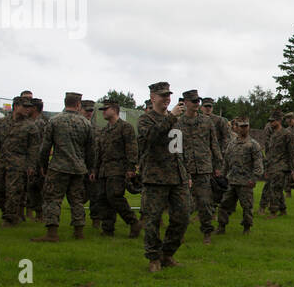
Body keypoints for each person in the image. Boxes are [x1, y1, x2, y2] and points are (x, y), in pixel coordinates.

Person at [138, 82, 190, 272]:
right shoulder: (146, 120)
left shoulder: (176, 119)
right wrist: (171, 118)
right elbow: (150, 138)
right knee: (152, 220)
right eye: (162, 96)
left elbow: (180, 149)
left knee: (183, 217)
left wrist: (186, 173)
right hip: (155, 178)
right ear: (153, 98)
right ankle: (153, 257)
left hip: (178, 177)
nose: (167, 99)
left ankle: (167, 253)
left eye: (168, 95)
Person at [33, 92, 95, 242]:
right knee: (77, 201)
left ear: (65, 102)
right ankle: (79, 232)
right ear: (78, 104)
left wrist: (43, 165)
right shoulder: (86, 123)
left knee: (52, 199)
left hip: (58, 167)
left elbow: (45, 147)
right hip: (79, 168)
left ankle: (52, 233)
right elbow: (91, 150)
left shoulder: (54, 121)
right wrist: (90, 168)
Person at [176, 90, 222, 243]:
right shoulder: (177, 123)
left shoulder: (206, 122)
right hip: (184, 169)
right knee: (183, 205)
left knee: (205, 202)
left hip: (203, 168)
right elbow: (174, 148)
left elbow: (214, 144)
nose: (197, 104)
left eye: (198, 101)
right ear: (186, 102)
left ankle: (207, 232)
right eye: (194, 101)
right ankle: (179, 233)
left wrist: (218, 164)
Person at [90, 99, 141, 237]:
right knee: (103, 198)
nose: (103, 112)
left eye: (105, 109)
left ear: (114, 109)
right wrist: (95, 169)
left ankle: (133, 222)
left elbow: (132, 148)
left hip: (118, 169)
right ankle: (108, 229)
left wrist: (131, 167)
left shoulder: (125, 127)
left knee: (115, 197)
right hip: (104, 170)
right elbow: (98, 152)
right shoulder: (104, 130)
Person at [216, 118, 263, 235]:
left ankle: (247, 228)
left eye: (246, 126)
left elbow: (258, 164)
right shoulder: (232, 144)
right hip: (231, 181)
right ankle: (221, 227)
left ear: (249, 127)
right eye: (241, 126)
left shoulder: (253, 145)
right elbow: (226, 161)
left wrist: (254, 178)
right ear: (236, 127)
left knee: (247, 207)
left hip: (245, 182)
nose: (244, 128)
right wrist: (223, 175)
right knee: (223, 205)